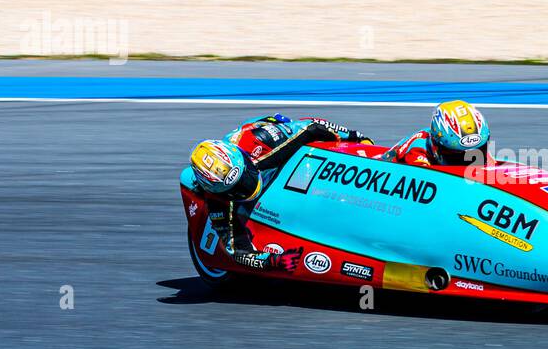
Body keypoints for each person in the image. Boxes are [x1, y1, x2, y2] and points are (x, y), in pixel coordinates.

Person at [189, 115, 370, 271]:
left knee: (310, 131)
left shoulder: (261, 143)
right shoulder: (215, 197)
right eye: (235, 189)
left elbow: (311, 126)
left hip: (266, 130)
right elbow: (236, 250)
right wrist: (273, 261)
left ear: (244, 160)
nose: (244, 187)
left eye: (244, 179)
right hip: (255, 186)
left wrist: (355, 137)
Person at [381, 100, 490, 168]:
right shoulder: (418, 152)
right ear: (436, 147)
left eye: (479, 151)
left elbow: (491, 166)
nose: (468, 162)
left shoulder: (479, 149)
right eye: (457, 155)